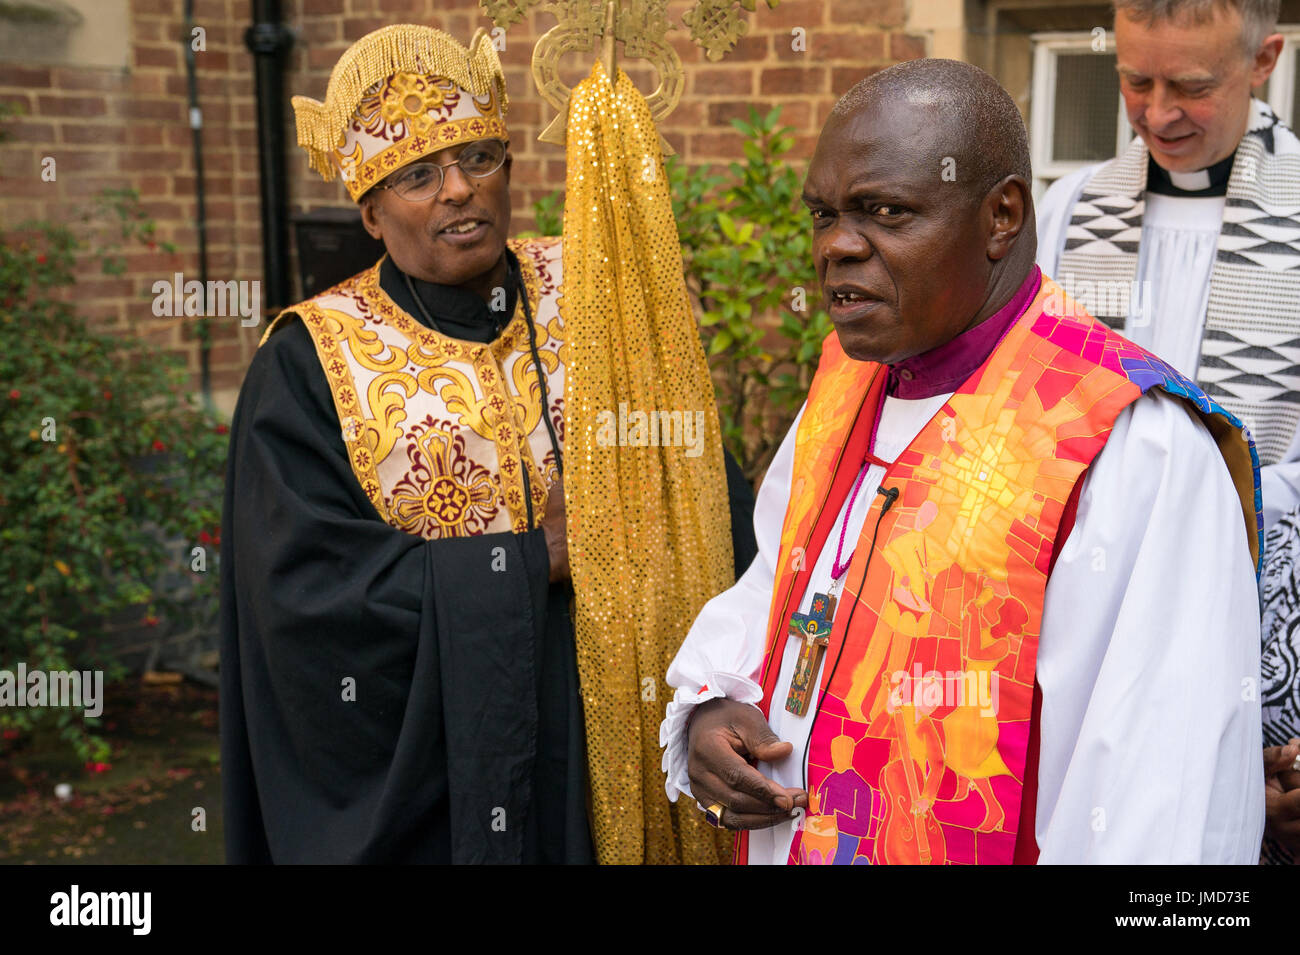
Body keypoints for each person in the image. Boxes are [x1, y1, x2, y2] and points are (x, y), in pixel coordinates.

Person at [660, 58, 1266, 864]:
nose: (837, 247)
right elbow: (782, 578)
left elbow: (1163, 799)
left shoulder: (1132, 444)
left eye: (885, 211)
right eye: (824, 215)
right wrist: (712, 702)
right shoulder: (850, 380)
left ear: (1001, 216)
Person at [219, 24, 756, 864]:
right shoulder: (311, 359)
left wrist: (728, 677)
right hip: (454, 761)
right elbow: (304, 594)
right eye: (418, 174)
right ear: (370, 209)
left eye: (479, 157)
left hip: (629, 727)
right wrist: (529, 558)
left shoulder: (591, 288)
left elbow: (705, 494)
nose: (458, 190)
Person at [1036, 0, 1300, 862]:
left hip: (1270, 637)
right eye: (1133, 79)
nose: (1155, 113)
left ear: (1265, 59)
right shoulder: (1072, 209)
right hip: (1096, 625)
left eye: (1190, 85)